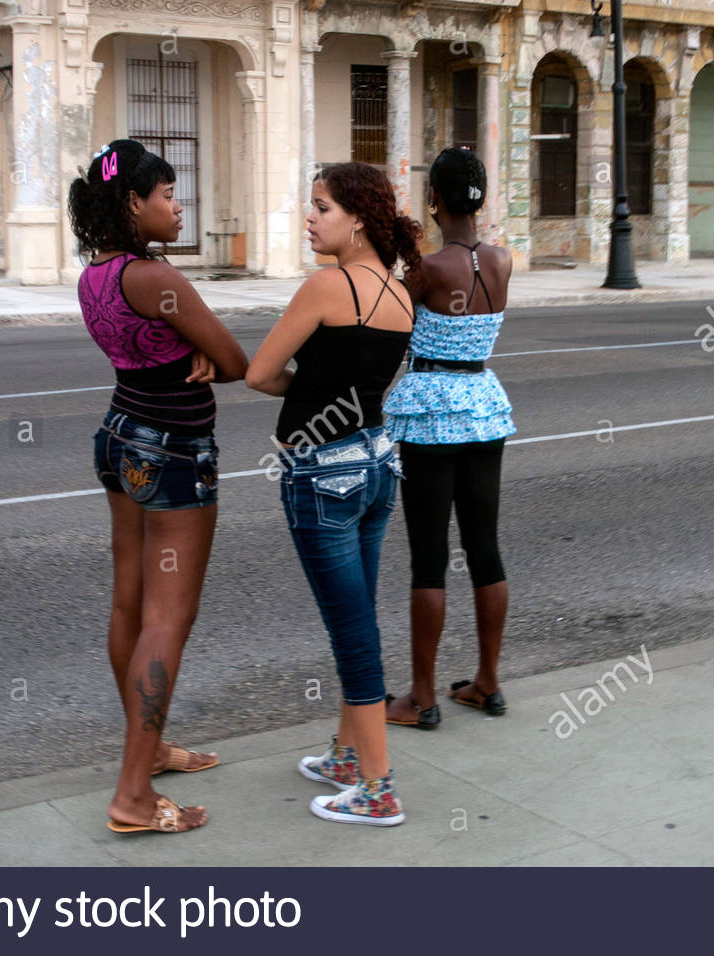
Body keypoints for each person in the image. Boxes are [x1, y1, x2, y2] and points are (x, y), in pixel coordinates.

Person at [68, 139, 248, 834]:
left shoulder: (97, 276)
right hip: (174, 455)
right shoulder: (155, 279)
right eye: (168, 195)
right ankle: (133, 797)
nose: (178, 206)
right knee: (168, 621)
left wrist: (189, 345)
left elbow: (155, 349)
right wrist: (204, 347)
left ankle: (151, 749)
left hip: (120, 441)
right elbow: (234, 361)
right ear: (133, 204)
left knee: (130, 608)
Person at [246, 162, 418, 826]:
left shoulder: (325, 287)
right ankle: (348, 757)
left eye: (321, 207)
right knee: (360, 618)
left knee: (352, 634)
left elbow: (261, 373)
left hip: (323, 474)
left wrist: (309, 393)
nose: (310, 218)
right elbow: (367, 389)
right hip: (377, 467)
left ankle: (378, 790)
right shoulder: (403, 297)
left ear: (358, 218)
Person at [382, 146, 514, 731]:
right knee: (484, 546)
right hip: (484, 407)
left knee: (429, 558)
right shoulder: (503, 263)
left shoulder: (428, 271)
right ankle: (487, 682)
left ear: (433, 198)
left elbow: (389, 324)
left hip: (431, 413)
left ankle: (422, 696)